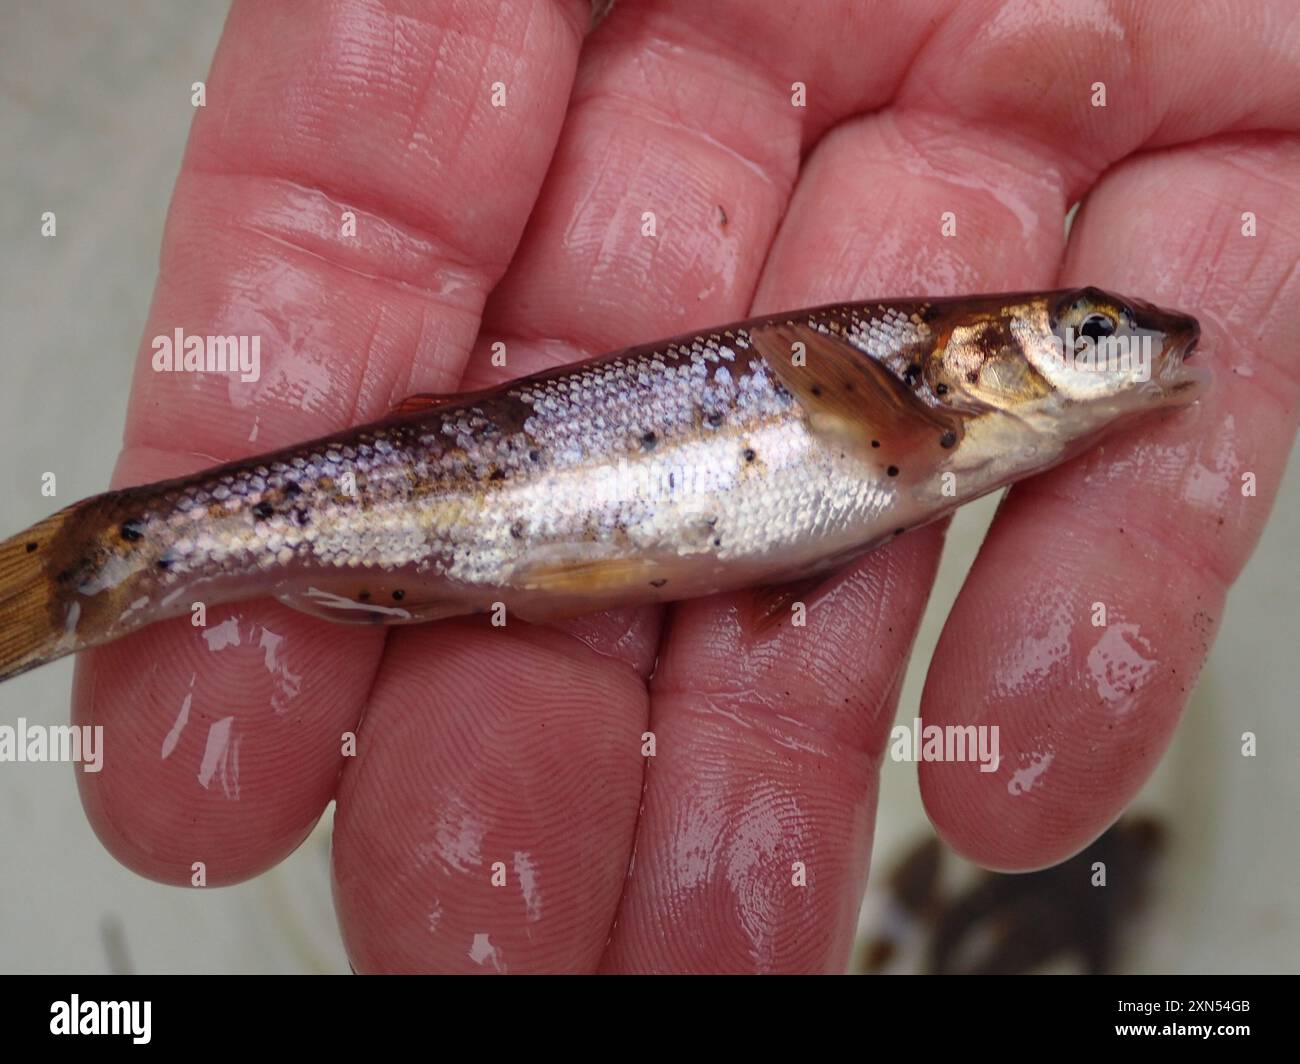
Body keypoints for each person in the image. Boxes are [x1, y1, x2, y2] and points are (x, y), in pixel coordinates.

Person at [70, 0, 1300, 972]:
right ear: (971, 358)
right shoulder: (918, 411)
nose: (1138, 346)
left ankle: (133, 551)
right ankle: (129, 550)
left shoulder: (941, 439)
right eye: (1092, 331)